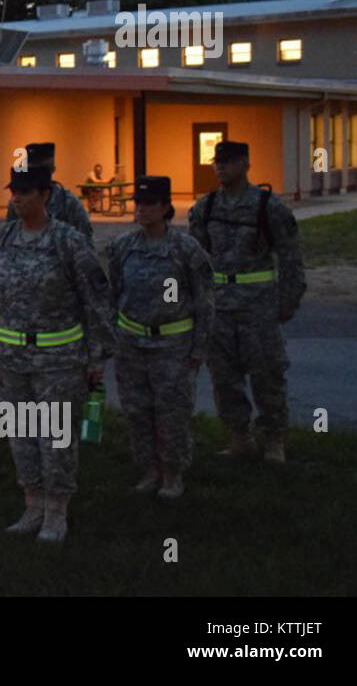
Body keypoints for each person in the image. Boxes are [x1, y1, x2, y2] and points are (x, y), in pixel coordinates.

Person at [0, 165, 113, 543]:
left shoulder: (66, 241)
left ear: (45, 196)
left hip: (58, 360)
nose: (17, 198)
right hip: (10, 358)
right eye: (14, 192)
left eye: (25, 192)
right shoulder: (4, 237)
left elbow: (95, 298)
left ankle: (56, 510)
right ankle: (32, 503)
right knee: (22, 434)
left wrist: (95, 356)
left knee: (55, 437)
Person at [188, 141, 305, 463]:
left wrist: (289, 299)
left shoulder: (268, 207)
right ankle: (239, 436)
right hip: (219, 307)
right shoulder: (205, 207)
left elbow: (291, 257)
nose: (220, 167)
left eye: (228, 162)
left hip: (259, 307)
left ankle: (274, 438)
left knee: (267, 373)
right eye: (217, 162)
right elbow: (194, 260)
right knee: (224, 377)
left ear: (245, 164)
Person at [107, 175, 214, 500]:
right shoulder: (123, 247)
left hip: (172, 346)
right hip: (131, 344)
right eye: (138, 203)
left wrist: (199, 347)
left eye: (149, 203)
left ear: (165, 207)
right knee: (138, 409)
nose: (141, 210)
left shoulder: (186, 249)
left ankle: (172, 473)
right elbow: (113, 294)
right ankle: (149, 469)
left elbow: (204, 300)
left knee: (171, 412)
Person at [4, 142, 94, 245]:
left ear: (52, 170)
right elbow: (9, 236)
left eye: (42, 170)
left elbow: (85, 241)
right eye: (32, 169)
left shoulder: (67, 202)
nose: (38, 175)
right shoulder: (17, 202)